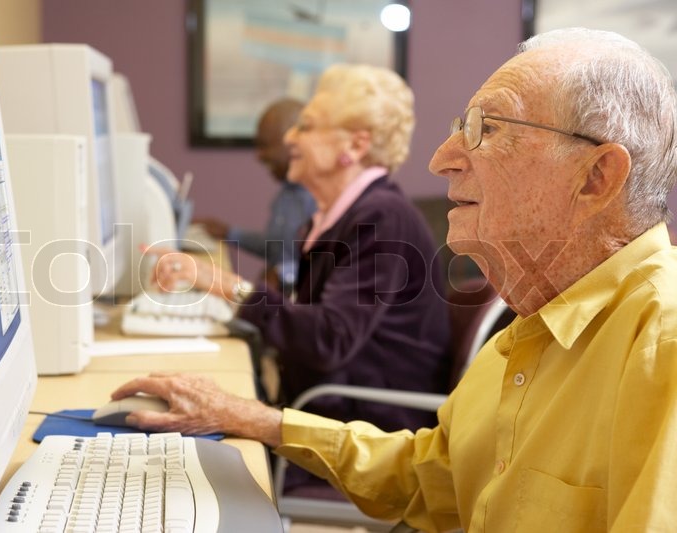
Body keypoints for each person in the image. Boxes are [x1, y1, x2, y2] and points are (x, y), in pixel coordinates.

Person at [116, 27, 677, 532]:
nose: (442, 159)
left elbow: (328, 339)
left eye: (489, 129)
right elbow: (430, 476)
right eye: (461, 128)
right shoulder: (532, 320)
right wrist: (257, 418)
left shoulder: (663, 348)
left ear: (596, 176)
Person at [145, 63, 452, 493]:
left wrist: (223, 284)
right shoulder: (333, 219)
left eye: (305, 126)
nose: (290, 138)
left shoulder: (382, 219)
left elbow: (327, 340)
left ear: (355, 145)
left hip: (368, 432)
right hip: (327, 410)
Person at [194, 98, 316, 293]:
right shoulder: (287, 192)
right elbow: (278, 248)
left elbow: (328, 268)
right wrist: (228, 233)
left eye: (266, 145)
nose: (259, 155)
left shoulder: (319, 199)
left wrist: (283, 273)